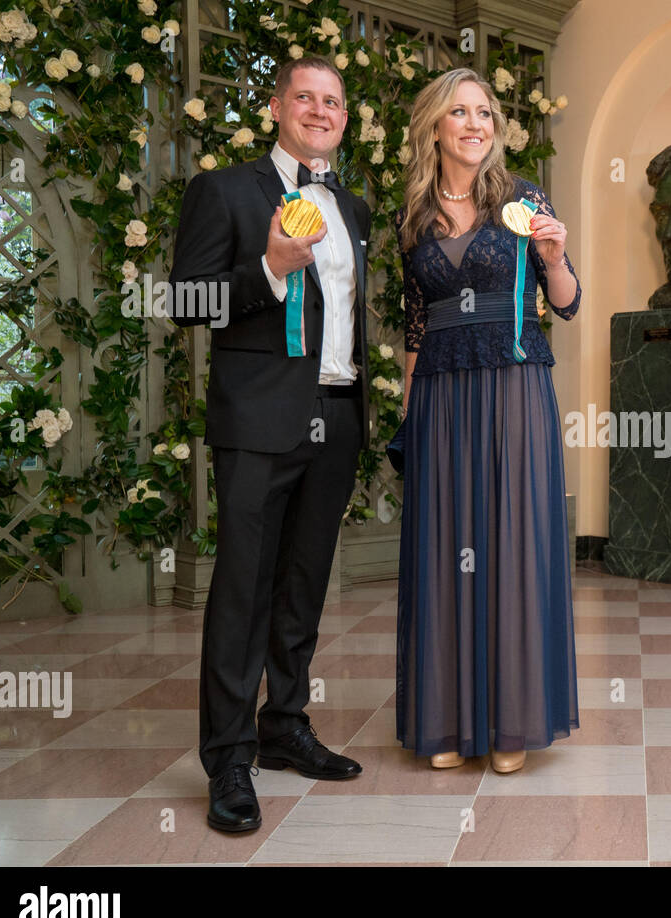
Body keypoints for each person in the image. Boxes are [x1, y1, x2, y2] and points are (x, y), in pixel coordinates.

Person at [168, 55, 370, 833]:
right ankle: (228, 755)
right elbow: (188, 298)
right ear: (278, 106)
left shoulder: (349, 205)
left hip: (337, 414)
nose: (321, 110)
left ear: (343, 118)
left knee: (303, 583)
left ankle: (285, 724)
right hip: (257, 419)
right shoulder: (224, 190)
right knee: (244, 588)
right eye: (307, 98)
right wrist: (268, 268)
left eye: (334, 101)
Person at [394, 67, 581, 773]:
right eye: (460, 112)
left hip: (513, 388)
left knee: (508, 542)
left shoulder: (525, 199)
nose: (475, 124)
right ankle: (445, 720)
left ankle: (509, 721)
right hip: (442, 395)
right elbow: (413, 329)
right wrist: (410, 419)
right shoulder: (411, 217)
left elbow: (566, 302)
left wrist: (555, 259)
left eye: (485, 113)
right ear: (435, 127)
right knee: (445, 544)